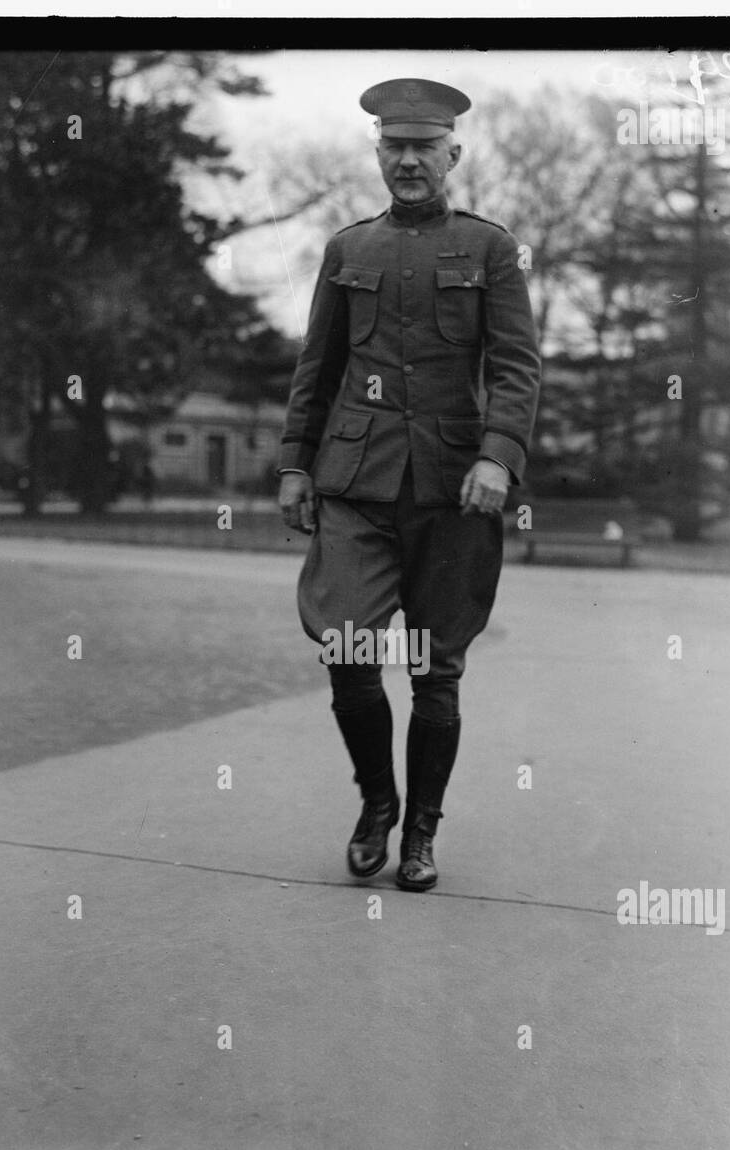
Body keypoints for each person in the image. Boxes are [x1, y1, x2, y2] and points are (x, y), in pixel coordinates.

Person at [277, 78, 541, 891]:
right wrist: (294, 463)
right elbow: (316, 369)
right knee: (347, 647)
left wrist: (498, 457)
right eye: (395, 147)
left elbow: (516, 366)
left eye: (424, 148)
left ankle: (421, 835)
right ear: (379, 153)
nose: (408, 161)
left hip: (454, 489)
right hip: (357, 483)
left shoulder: (491, 249)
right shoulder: (348, 250)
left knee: (436, 669)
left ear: (453, 154)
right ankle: (376, 805)